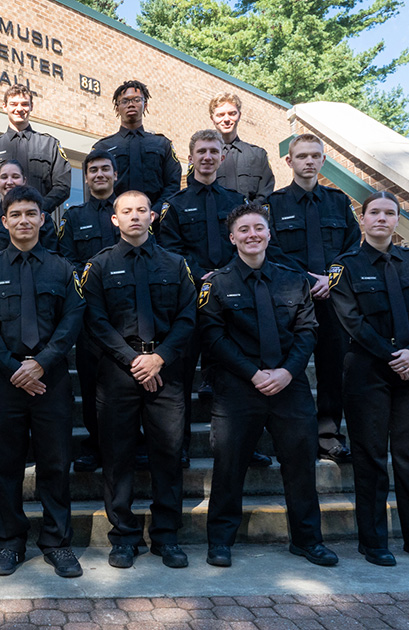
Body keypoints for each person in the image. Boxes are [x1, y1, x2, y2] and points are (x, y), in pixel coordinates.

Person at [199, 203, 337, 569]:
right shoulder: (216, 284)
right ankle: (220, 541)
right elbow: (213, 337)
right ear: (232, 238)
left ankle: (307, 540)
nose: (252, 235)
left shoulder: (293, 280)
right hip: (237, 388)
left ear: (269, 234)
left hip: (289, 386)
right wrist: (253, 373)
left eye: (258, 228)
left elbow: (307, 331)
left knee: (300, 466)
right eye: (243, 230)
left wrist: (288, 372)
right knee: (229, 467)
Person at [0, 185, 85, 578]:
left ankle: (57, 543)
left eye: (30, 213)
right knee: (6, 466)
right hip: (5, 382)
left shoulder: (62, 268)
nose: (23, 221)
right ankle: (10, 542)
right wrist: (14, 370)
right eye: (16, 214)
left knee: (56, 463)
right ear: (4, 222)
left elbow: (72, 321)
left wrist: (41, 364)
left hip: (51, 380)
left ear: (42, 219)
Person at [330, 191, 409, 567]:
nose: (381, 218)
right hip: (368, 370)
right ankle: (374, 542)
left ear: (398, 220)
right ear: (362, 219)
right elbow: (352, 320)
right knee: (370, 457)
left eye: (389, 213)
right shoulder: (345, 267)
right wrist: (393, 356)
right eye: (374, 212)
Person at [82, 190, 197, 570]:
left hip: (166, 370)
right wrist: (135, 361)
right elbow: (95, 321)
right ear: (114, 220)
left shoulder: (176, 264)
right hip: (118, 372)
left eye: (141, 210)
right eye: (126, 211)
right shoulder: (99, 266)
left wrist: (158, 358)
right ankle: (124, 537)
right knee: (117, 458)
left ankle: (166, 537)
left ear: (152, 216)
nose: (135, 216)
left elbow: (187, 317)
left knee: (168, 456)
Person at [157, 131, 270, 469]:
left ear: (222, 157)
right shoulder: (174, 204)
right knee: (180, 378)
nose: (207, 157)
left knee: (239, 373)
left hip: (233, 296)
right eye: (201, 151)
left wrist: (224, 277)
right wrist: (200, 275)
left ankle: (245, 446)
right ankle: (179, 447)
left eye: (213, 151)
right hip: (190, 298)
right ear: (191, 157)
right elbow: (170, 249)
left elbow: (245, 242)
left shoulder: (237, 202)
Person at [265, 133, 360, 464]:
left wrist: (331, 279)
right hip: (291, 300)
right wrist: (309, 280)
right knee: (288, 368)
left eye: (315, 156)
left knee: (333, 369)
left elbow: (352, 246)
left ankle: (328, 436)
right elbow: (271, 250)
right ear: (289, 161)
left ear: (323, 160)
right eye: (302, 156)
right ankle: (292, 434)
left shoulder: (339, 202)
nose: (309, 161)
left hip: (333, 299)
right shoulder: (274, 204)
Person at [58, 150, 120, 473]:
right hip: (89, 312)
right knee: (91, 382)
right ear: (86, 177)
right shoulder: (73, 217)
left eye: (105, 169)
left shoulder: (129, 210)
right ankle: (95, 446)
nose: (99, 174)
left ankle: (133, 443)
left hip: (127, 309)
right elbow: (67, 259)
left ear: (115, 175)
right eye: (93, 170)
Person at [0, 85, 71, 215]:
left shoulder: (49, 145)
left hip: (39, 222)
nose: (19, 109)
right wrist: (5, 209)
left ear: (31, 107)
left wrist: (37, 209)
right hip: (1, 221)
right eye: (13, 104)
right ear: (4, 107)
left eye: (24, 104)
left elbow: (62, 186)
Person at [91, 80, 182, 205]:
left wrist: (156, 212)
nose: (131, 105)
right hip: (113, 215)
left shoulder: (162, 144)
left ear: (145, 106)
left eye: (137, 100)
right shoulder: (102, 148)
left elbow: (173, 184)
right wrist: (116, 212)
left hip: (156, 215)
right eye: (125, 101)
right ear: (117, 108)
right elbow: (96, 188)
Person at [0, 160, 59, 268]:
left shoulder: (44, 218)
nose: (9, 182)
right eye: (4, 177)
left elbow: (51, 258)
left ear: (24, 181)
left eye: (15, 177)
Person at [207, 93, 275, 201]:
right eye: (220, 115)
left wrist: (249, 211)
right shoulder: (204, 157)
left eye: (232, 113)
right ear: (212, 118)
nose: (226, 119)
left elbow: (265, 194)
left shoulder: (258, 155)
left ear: (239, 115)